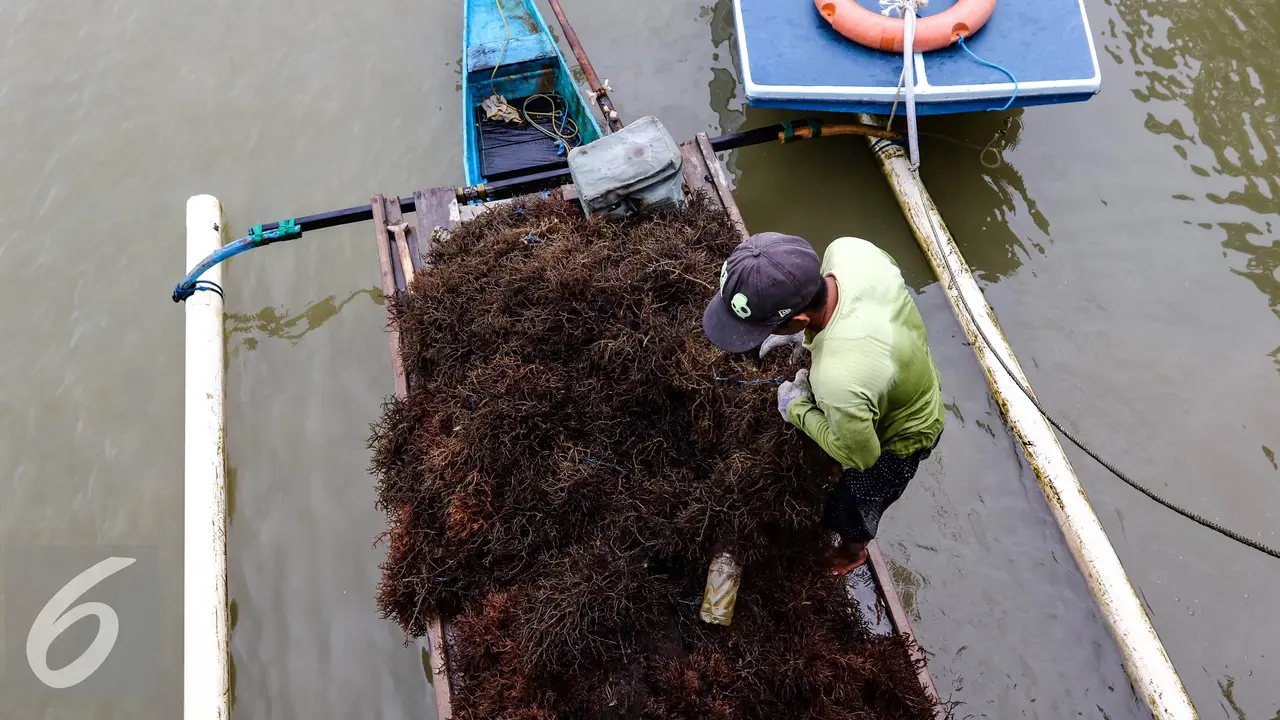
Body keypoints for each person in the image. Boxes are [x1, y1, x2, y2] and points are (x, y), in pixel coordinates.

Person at [701, 232, 944, 573]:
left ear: (799, 319)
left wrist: (797, 408)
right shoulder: (850, 251)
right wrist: (811, 338)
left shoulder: (838, 380)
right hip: (900, 367)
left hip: (904, 434)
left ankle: (852, 553)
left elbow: (862, 456)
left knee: (853, 504)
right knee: (841, 434)